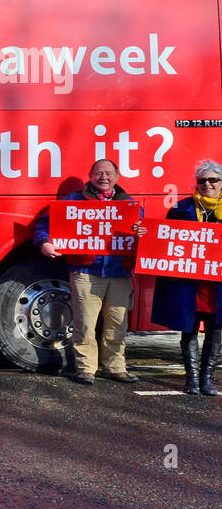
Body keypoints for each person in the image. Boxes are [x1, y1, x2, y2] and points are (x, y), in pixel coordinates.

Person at [35, 158, 142, 385]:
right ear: (90, 176)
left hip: (119, 273)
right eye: (99, 173)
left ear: (117, 176)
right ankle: (86, 369)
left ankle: (115, 367)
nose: (104, 177)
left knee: (117, 323)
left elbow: (144, 234)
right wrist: (44, 242)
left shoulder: (130, 205)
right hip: (86, 271)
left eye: (109, 173)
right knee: (85, 324)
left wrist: (142, 231)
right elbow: (44, 225)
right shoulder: (73, 201)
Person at [150, 159, 222, 395]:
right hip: (189, 284)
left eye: (213, 180)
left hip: (217, 286)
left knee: (215, 330)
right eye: (202, 181)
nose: (207, 184)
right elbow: (164, 242)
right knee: (188, 328)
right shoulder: (180, 209)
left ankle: (207, 378)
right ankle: (191, 378)